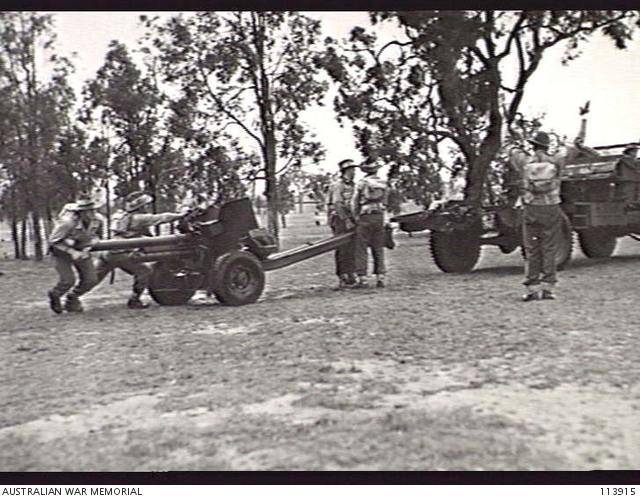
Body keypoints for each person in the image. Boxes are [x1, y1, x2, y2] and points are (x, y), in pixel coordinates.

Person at [509, 109, 597, 302]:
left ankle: (532, 289)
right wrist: (582, 118)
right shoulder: (557, 160)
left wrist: (514, 133)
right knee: (549, 248)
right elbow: (578, 144)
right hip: (551, 208)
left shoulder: (524, 161)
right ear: (547, 145)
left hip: (530, 209)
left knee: (532, 250)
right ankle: (548, 288)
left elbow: (510, 148)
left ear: (533, 146)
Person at [93, 191, 186, 309]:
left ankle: (71, 297)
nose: (147, 207)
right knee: (144, 271)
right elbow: (161, 218)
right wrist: (181, 215)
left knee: (91, 280)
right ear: (140, 206)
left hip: (109, 251)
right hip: (123, 253)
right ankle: (135, 300)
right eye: (145, 205)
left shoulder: (120, 215)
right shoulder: (139, 218)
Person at [47, 197, 104, 314]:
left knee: (91, 279)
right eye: (88, 211)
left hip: (82, 250)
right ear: (81, 212)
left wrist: (89, 246)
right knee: (68, 280)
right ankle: (55, 294)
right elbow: (53, 241)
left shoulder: (98, 220)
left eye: (93, 210)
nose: (92, 213)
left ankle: (72, 298)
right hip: (61, 252)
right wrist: (72, 252)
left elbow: (97, 236)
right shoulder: (67, 223)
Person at [351, 162, 388, 288]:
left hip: (365, 215)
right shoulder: (383, 183)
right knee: (378, 247)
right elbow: (385, 200)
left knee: (361, 247)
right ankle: (380, 277)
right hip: (379, 215)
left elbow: (354, 201)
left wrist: (356, 216)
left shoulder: (362, 183)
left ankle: (363, 278)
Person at [327, 159, 358, 288]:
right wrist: (346, 220)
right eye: (351, 170)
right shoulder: (337, 185)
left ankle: (351, 274)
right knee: (342, 248)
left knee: (352, 248)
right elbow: (337, 204)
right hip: (340, 219)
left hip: (351, 218)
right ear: (345, 171)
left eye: (354, 170)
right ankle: (342, 276)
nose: (354, 172)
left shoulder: (353, 185)